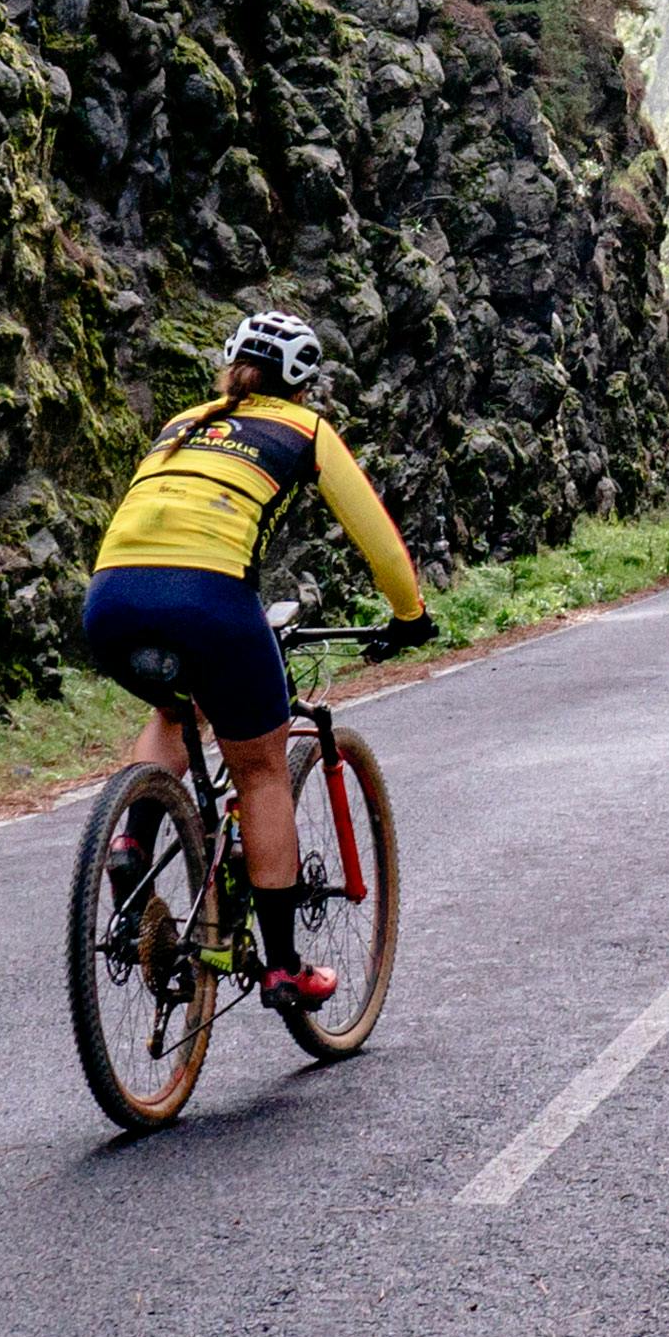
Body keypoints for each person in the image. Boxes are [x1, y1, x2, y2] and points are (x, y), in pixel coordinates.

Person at [76, 310, 429, 1007]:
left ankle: (128, 845)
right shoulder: (305, 429)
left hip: (111, 598)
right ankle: (283, 968)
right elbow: (380, 541)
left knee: (176, 707)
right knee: (263, 766)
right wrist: (410, 617)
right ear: (303, 382)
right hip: (210, 599)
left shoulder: (182, 423)